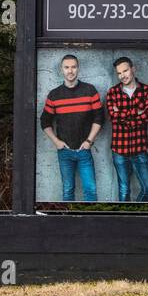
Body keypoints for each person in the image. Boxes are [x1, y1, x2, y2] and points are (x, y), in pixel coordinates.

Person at [40, 54, 103, 202]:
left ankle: (91, 223)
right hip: (65, 152)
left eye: (73, 67)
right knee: (68, 191)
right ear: (61, 69)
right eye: (67, 67)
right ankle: (67, 224)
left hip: (84, 151)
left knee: (91, 191)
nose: (70, 71)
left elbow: (99, 117)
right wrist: (56, 142)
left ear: (78, 68)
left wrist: (89, 141)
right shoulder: (54, 95)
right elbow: (44, 121)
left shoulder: (90, 90)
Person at [105, 56, 148, 202]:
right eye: (119, 73)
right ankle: (124, 222)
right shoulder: (112, 92)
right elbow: (113, 118)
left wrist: (123, 114)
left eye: (125, 71)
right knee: (124, 190)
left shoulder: (146, 91)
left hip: (139, 149)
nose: (123, 75)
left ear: (133, 69)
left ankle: (136, 214)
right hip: (119, 150)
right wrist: (136, 113)